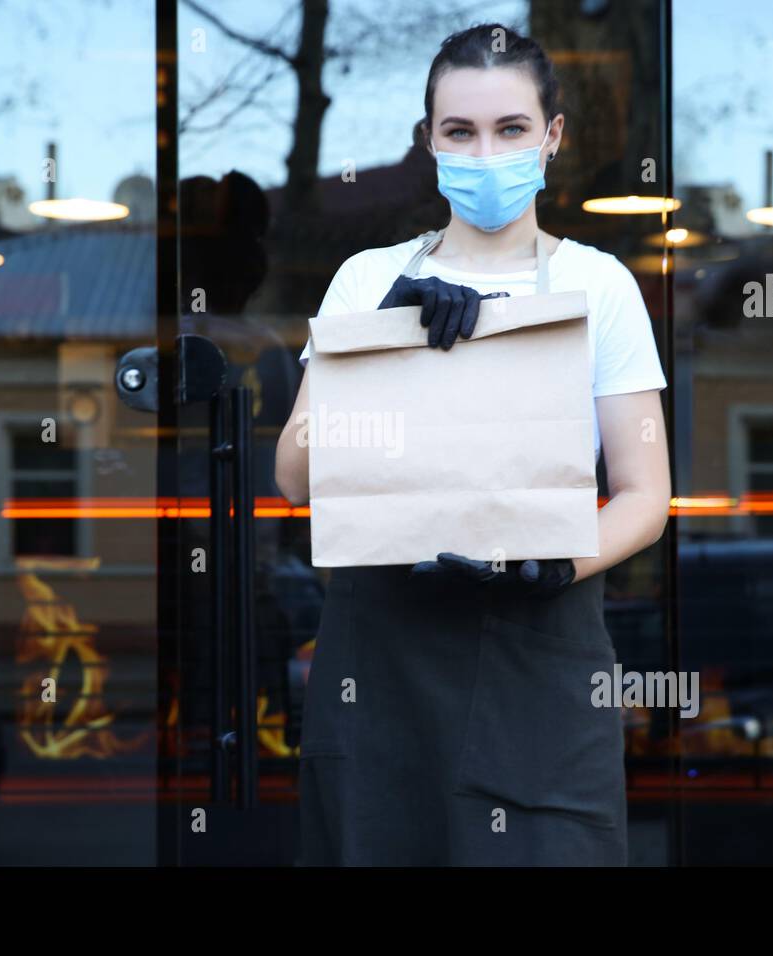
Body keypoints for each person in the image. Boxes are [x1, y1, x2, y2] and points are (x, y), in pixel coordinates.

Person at [274, 23, 671, 866]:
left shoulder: (599, 286)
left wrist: (558, 562)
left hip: (540, 671)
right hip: (380, 679)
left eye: (511, 129)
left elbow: (644, 493)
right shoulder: (365, 277)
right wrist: (383, 332)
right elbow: (293, 477)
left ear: (552, 136)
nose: (486, 152)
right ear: (429, 141)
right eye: (460, 132)